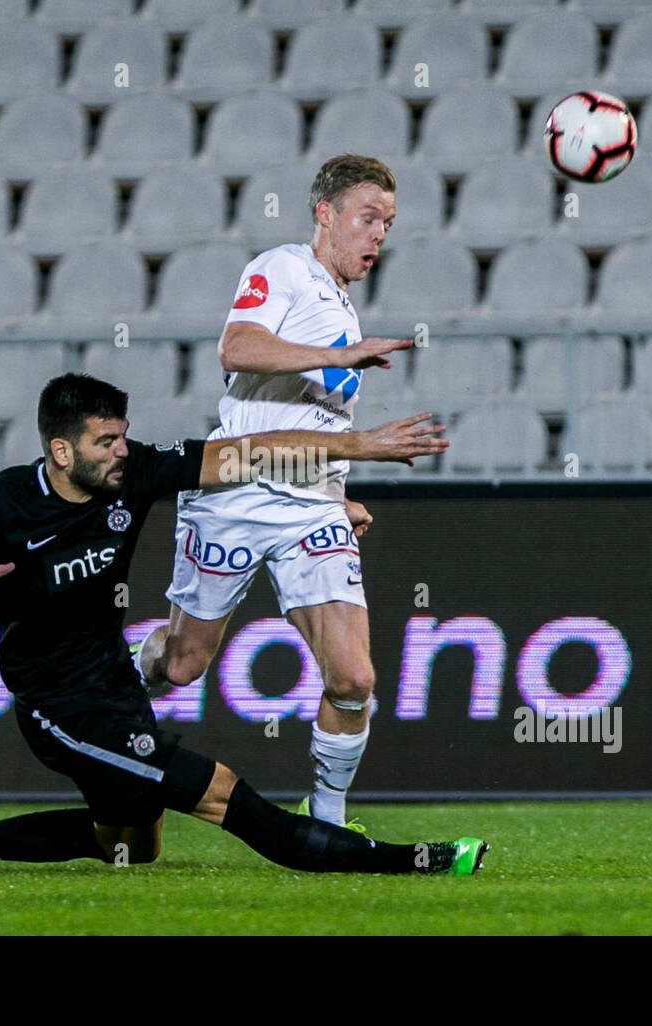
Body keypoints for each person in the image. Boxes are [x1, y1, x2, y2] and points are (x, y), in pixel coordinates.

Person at [0, 373, 484, 877]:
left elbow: (249, 455)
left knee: (132, 846)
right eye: (105, 441)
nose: (121, 451)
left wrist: (342, 471)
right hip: (59, 708)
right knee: (229, 799)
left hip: (115, 684)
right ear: (61, 452)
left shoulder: (133, 472)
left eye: (122, 437)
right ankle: (419, 861)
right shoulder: (5, 502)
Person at [135, 154, 405, 830]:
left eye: (389, 225)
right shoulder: (283, 267)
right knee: (183, 664)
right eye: (368, 219)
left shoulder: (341, 304)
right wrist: (337, 356)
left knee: (354, 678)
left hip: (308, 505)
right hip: (235, 490)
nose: (378, 236)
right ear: (326, 213)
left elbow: (311, 420)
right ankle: (116, 668)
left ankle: (328, 819)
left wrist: (334, 492)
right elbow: (237, 347)